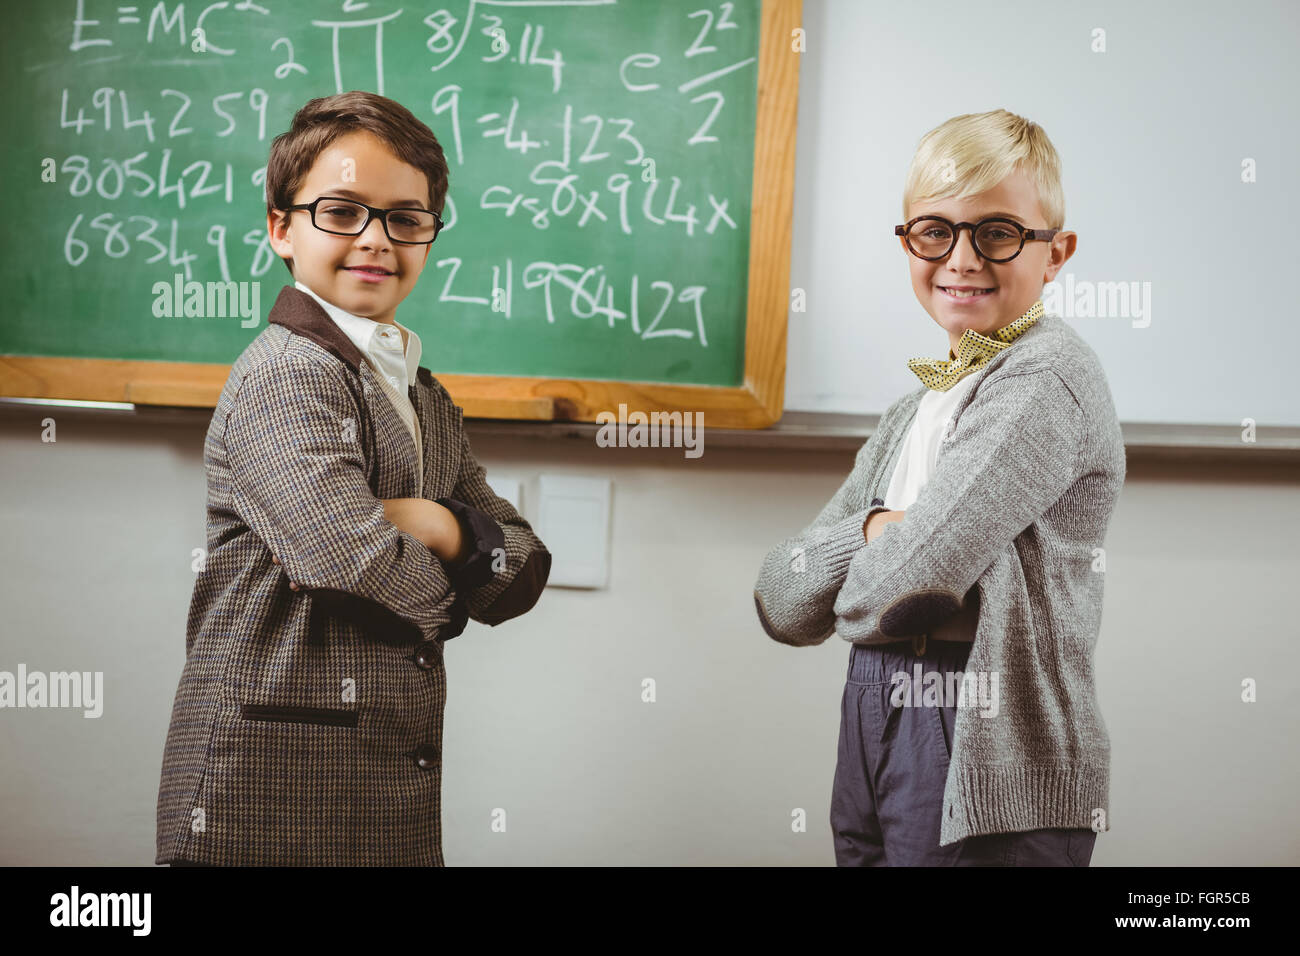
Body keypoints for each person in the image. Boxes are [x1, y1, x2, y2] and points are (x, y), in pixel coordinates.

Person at [156, 91, 551, 867]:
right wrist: (459, 575)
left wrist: (439, 527)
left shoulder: (420, 391)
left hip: (379, 790)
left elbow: (521, 570)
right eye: (342, 211)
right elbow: (349, 561)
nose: (376, 239)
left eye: (406, 218)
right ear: (282, 228)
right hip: (265, 790)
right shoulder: (284, 374)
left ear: (431, 235)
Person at [753, 109, 1125, 866]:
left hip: (982, 728)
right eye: (934, 232)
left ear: (1056, 253)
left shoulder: (1045, 377)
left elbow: (905, 586)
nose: (961, 259)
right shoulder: (915, 407)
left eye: (997, 232)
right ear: (908, 242)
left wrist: (875, 553)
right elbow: (783, 604)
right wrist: (869, 532)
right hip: (877, 703)